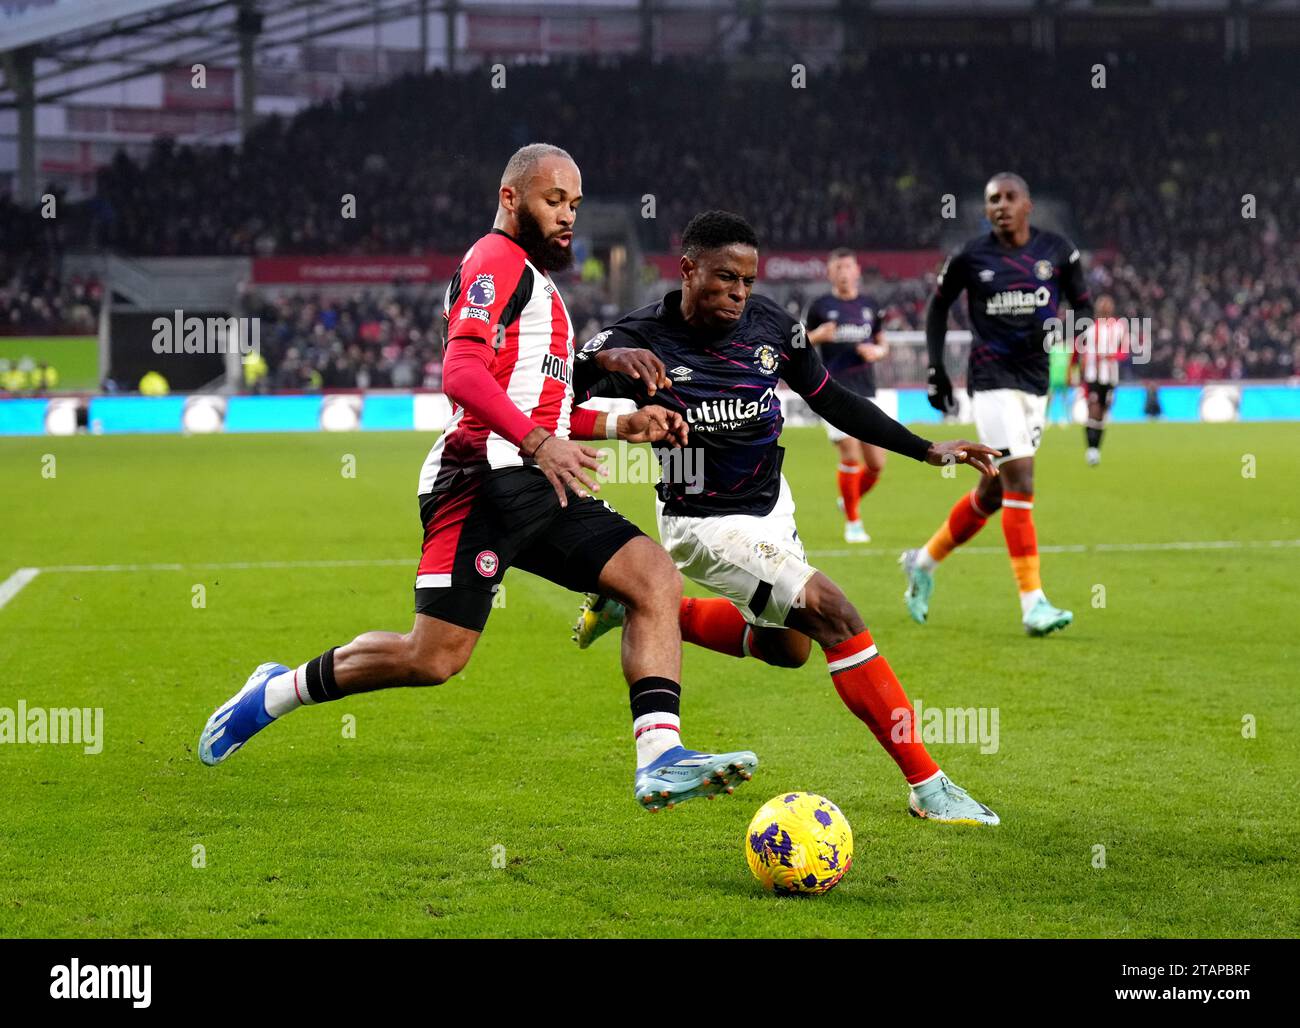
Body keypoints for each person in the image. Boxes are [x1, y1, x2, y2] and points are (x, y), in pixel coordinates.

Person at [198, 145, 758, 813]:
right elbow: (460, 376)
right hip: (479, 481)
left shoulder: (539, 284)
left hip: (539, 476)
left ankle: (660, 757)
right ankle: (275, 691)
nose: (567, 217)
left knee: (653, 577)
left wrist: (622, 425)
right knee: (432, 659)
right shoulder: (493, 260)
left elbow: (537, 406)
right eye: (555, 201)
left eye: (575, 205)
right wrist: (541, 440)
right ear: (512, 197)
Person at [571, 210, 1003, 825]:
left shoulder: (773, 325)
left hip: (773, 507)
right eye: (725, 279)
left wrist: (928, 449)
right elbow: (544, 401)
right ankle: (928, 786)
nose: (739, 294)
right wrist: (609, 408)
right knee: (835, 612)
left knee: (787, 649)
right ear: (688, 269)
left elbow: (831, 398)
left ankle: (637, 607)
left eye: (748, 280)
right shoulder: (634, 340)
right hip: (703, 522)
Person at [900, 173, 1092, 637]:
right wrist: (936, 369)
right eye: (992, 200)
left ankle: (922, 563)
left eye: (1009, 198)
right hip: (990, 380)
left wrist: (1072, 335)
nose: (1001, 206)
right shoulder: (970, 257)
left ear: (1027, 205)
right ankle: (1033, 604)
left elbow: (1084, 307)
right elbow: (937, 307)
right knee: (1021, 479)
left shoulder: (1059, 252)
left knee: (994, 491)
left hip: (1035, 384)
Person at [803, 248, 889, 543]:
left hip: (867, 390)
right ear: (829, 273)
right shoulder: (820, 306)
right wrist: (817, 336)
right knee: (850, 454)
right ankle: (853, 523)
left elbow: (882, 342)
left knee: (877, 463)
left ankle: (847, 500)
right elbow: (797, 343)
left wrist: (877, 352)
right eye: (837, 267)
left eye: (848, 267)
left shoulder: (870, 305)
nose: (843, 272)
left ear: (857, 271)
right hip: (833, 390)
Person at [1071, 293, 1127, 466]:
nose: (1105, 307)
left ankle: (1096, 449)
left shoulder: (1119, 326)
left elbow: (1124, 350)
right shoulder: (1088, 326)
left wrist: (1112, 356)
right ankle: (1091, 449)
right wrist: (1072, 368)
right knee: (1093, 409)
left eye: (1107, 304)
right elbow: (1077, 348)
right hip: (1091, 375)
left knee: (1102, 413)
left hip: (1110, 377)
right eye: (1102, 304)